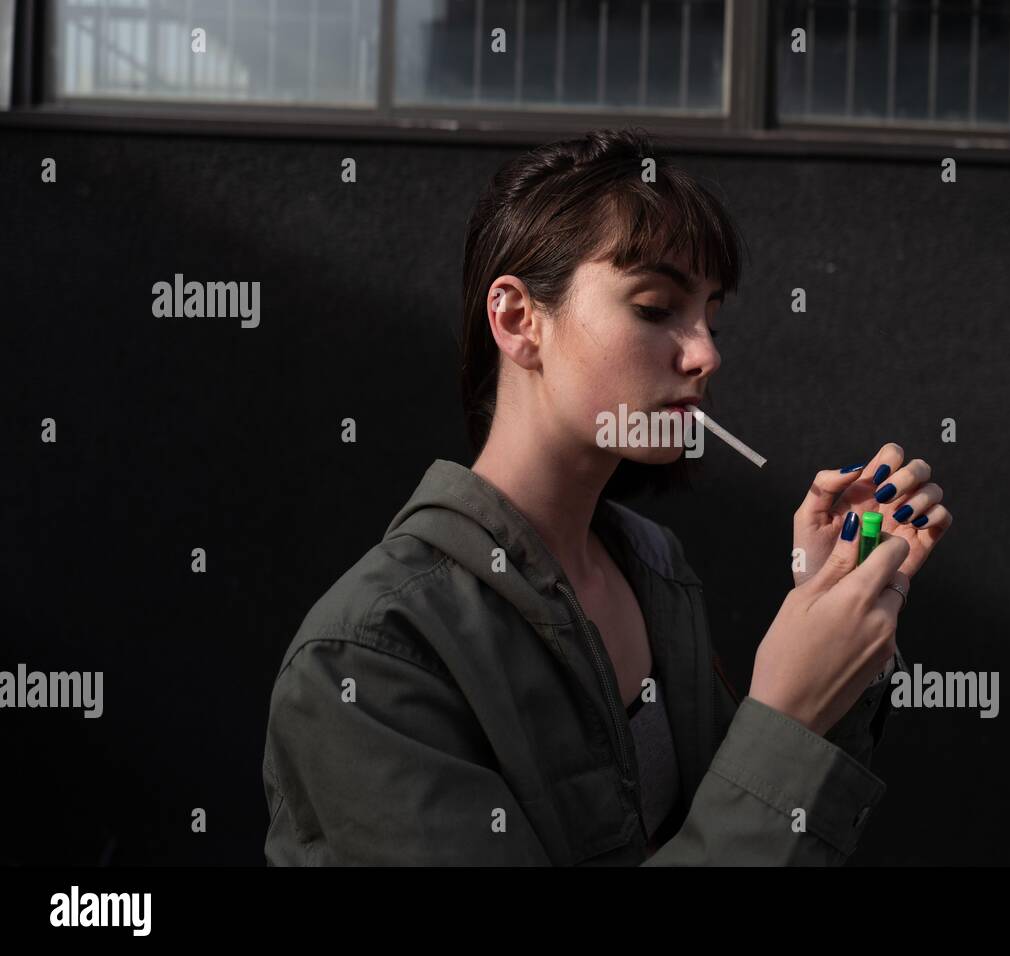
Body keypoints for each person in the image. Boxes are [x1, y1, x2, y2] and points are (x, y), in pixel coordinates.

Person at [261, 127, 952, 865]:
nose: (707, 353)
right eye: (656, 308)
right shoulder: (370, 657)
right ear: (518, 319)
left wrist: (837, 603)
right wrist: (785, 717)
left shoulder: (654, 569)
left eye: (712, 316)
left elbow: (742, 828)